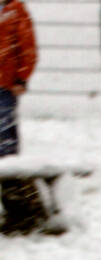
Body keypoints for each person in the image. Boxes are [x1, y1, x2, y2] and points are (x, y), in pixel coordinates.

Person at [0, 0, 36, 158]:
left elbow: (27, 47)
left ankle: (8, 164)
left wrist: (21, 78)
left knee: (5, 125)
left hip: (6, 82)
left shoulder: (16, 11)